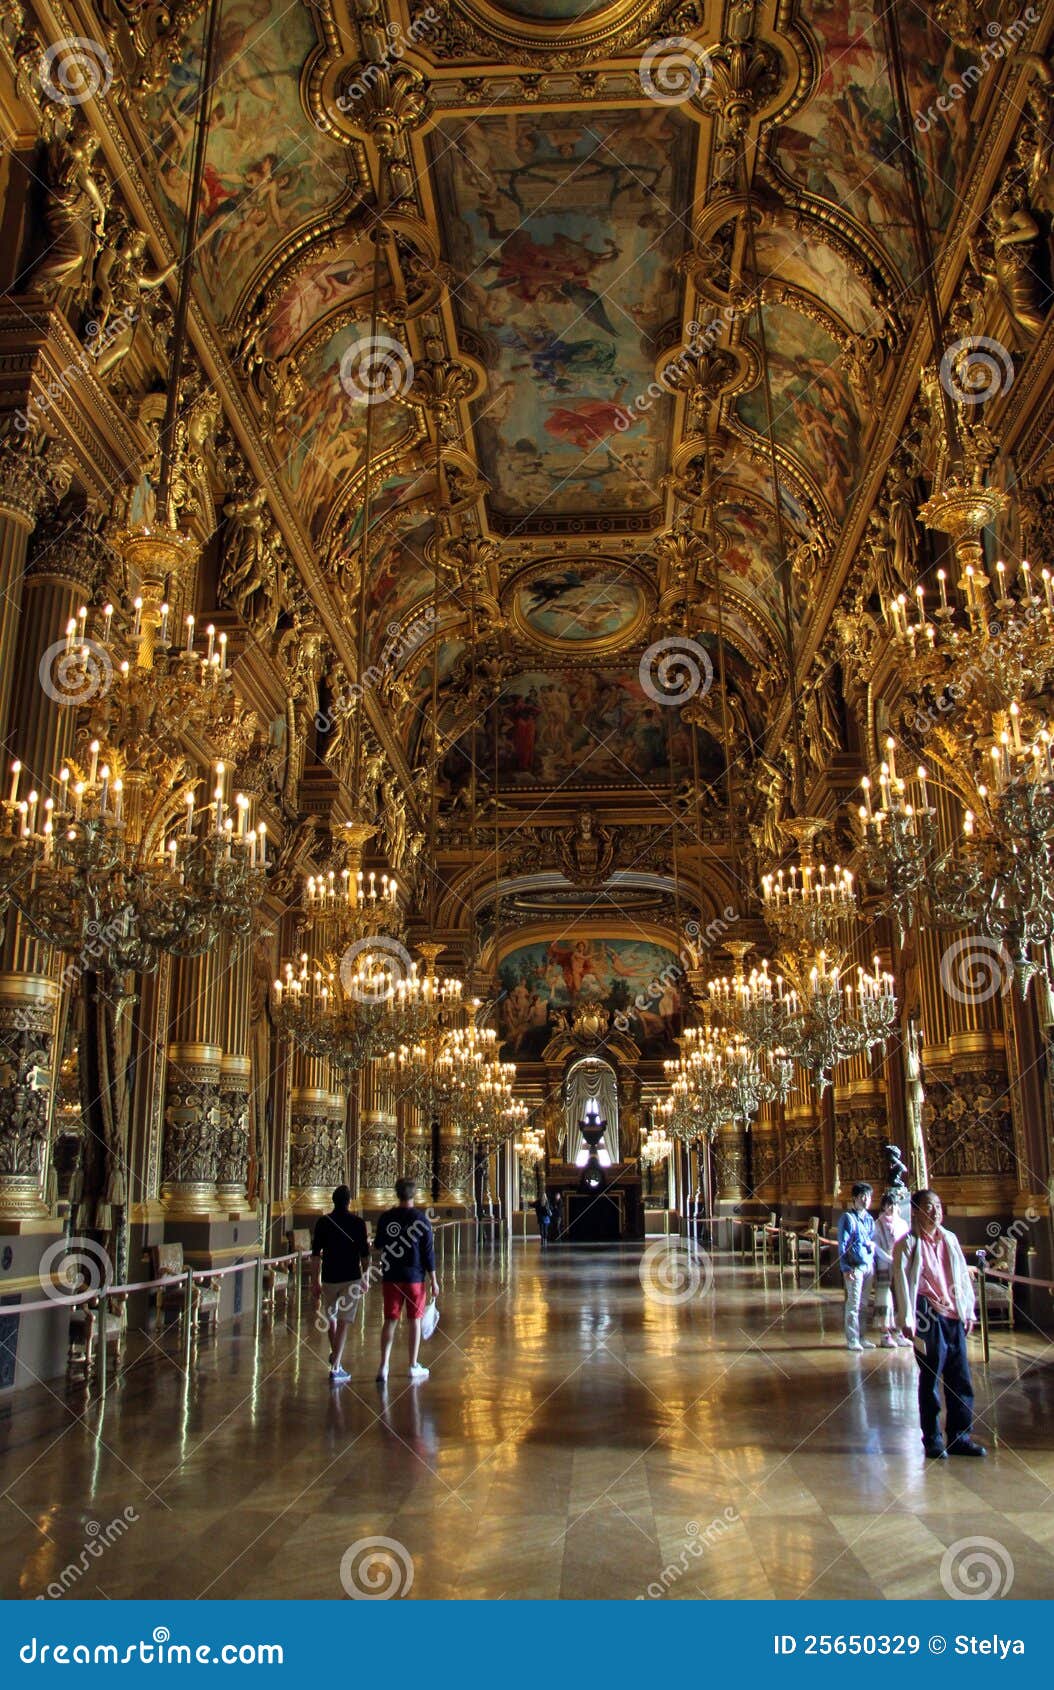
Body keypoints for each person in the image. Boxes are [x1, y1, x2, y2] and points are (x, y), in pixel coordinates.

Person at [893, 1189, 986, 1459]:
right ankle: (932, 1438)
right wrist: (907, 1320)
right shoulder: (908, 1243)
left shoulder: (950, 1239)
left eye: (938, 1206)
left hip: (953, 1315)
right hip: (927, 1314)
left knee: (960, 1379)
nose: (935, 1211)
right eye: (928, 1207)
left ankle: (960, 1436)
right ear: (916, 1211)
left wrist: (968, 1311)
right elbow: (901, 1282)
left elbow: (962, 1278)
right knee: (931, 1377)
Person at [374, 1178, 439, 1384]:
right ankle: (413, 1365)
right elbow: (428, 1253)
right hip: (414, 1277)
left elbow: (378, 1244)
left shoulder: (386, 1217)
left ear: (396, 1194)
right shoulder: (421, 1219)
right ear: (415, 1194)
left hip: (391, 1275)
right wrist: (434, 1280)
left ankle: (384, 1366)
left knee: (390, 1321)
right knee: (414, 1321)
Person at [310, 1185, 369, 1384]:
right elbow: (365, 1255)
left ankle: (336, 1357)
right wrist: (365, 1277)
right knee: (344, 1320)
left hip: (329, 1277)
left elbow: (315, 1256)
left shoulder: (322, 1222)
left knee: (332, 1317)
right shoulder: (358, 1223)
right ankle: (336, 1366)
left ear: (333, 1201)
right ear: (349, 1201)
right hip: (351, 1276)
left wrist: (314, 1282)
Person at [838, 1182, 876, 1351]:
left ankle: (862, 1336)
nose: (866, 1200)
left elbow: (871, 1240)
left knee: (864, 1304)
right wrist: (845, 1267)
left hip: (868, 1265)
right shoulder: (848, 1218)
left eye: (868, 1196)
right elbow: (842, 1244)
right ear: (854, 1198)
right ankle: (852, 1338)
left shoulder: (869, 1219)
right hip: (854, 1267)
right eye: (862, 1196)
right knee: (853, 1304)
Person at [872, 1190, 912, 1348]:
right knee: (885, 1299)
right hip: (884, 1264)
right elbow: (876, 1246)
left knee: (900, 1297)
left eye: (893, 1204)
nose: (891, 1208)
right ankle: (885, 1333)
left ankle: (899, 1331)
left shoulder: (903, 1224)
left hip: (901, 1265)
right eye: (887, 1205)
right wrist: (889, 1258)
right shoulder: (878, 1224)